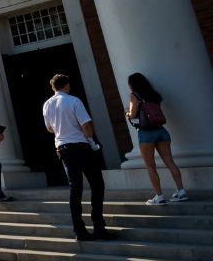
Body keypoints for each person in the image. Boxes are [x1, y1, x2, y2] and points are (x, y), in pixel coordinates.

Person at [43, 73, 116, 242]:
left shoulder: (47, 105)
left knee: (75, 189)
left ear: (54, 87)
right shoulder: (73, 100)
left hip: (63, 148)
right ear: (66, 85)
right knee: (97, 184)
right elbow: (86, 126)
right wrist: (91, 140)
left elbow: (49, 128)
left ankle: (79, 230)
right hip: (80, 146)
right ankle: (98, 225)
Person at [126, 72, 188, 205]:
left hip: (146, 133)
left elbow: (133, 114)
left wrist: (127, 113)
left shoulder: (134, 95)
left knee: (150, 166)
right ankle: (181, 191)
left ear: (132, 84)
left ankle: (159, 196)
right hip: (161, 130)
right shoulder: (154, 95)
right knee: (170, 162)